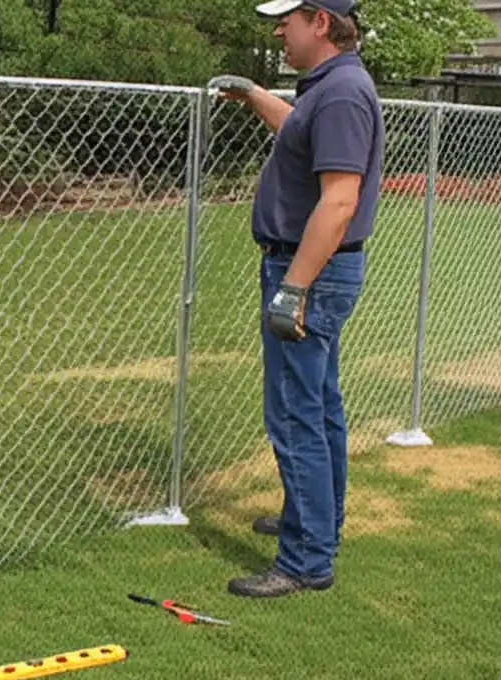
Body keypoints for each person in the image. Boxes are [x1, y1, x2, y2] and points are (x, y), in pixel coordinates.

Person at [213, 0, 385, 598]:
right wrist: (258, 96)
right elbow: (302, 136)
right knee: (318, 405)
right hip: (315, 270)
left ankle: (306, 560)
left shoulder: (339, 93)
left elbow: (338, 201)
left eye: (287, 18)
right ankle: (314, 523)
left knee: (294, 415)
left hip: (308, 271)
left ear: (320, 21)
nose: (278, 29)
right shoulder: (331, 88)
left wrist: (294, 289)